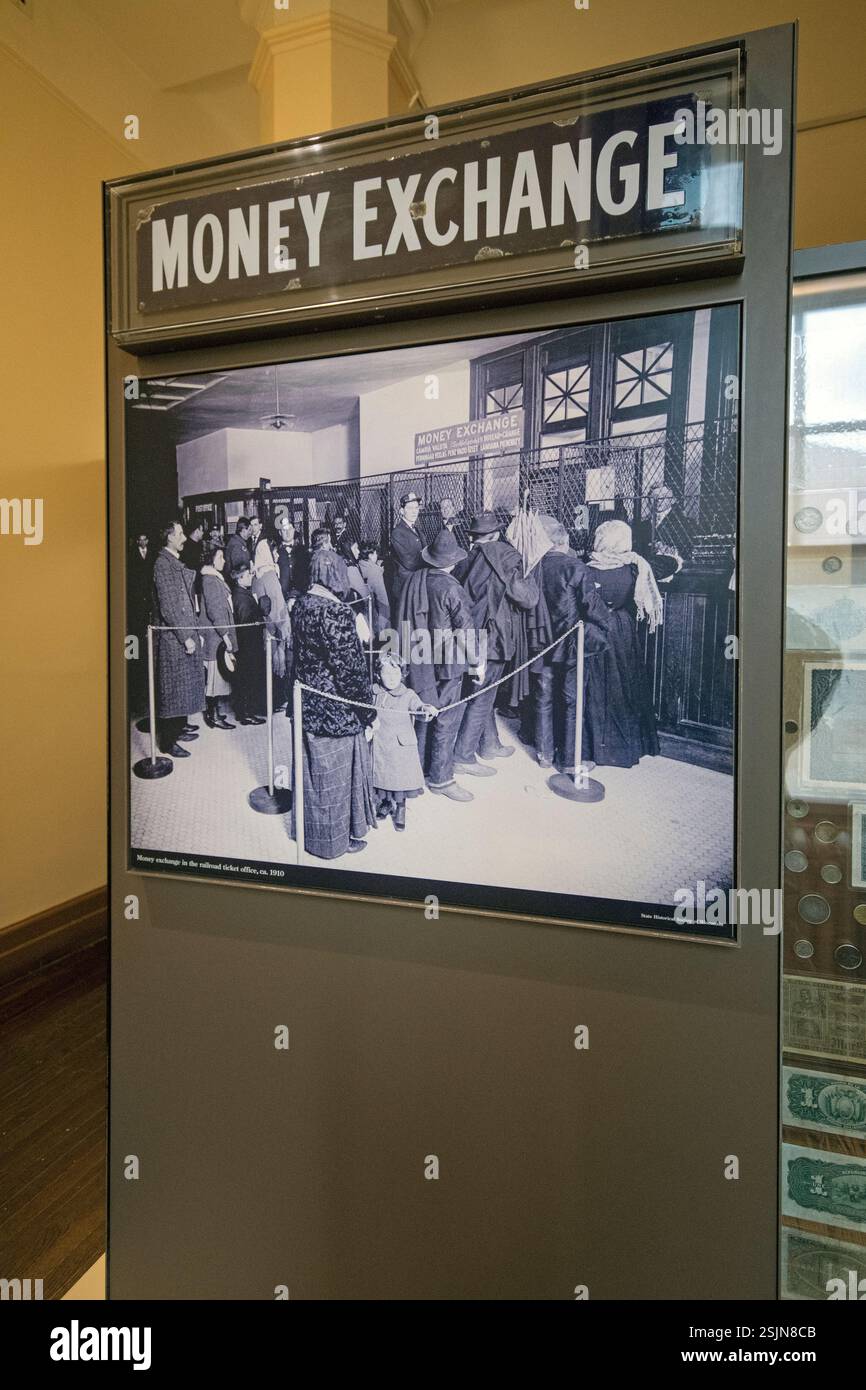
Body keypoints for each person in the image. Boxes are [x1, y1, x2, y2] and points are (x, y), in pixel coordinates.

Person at [289, 548, 377, 858]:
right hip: (335, 710)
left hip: (306, 703)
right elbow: (351, 672)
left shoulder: (301, 605)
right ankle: (336, 842)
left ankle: (310, 834)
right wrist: (369, 712)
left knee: (314, 776)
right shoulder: (336, 612)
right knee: (337, 780)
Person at [397, 527, 480, 802]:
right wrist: (477, 662)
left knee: (423, 714)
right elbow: (466, 630)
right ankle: (442, 778)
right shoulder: (451, 587)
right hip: (447, 662)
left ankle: (416, 770)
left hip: (419, 658)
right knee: (446, 718)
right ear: (453, 562)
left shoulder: (415, 579)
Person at [452, 511, 538, 776]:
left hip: (468, 633)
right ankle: (463, 756)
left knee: (482, 691)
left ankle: (489, 744)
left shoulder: (464, 557)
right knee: (482, 694)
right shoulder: (506, 555)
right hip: (495, 636)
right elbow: (527, 598)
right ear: (497, 533)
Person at [529, 519, 610, 772]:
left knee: (543, 697)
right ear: (564, 541)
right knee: (571, 699)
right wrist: (606, 621)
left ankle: (544, 754)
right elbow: (591, 606)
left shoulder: (533, 566)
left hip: (540, 642)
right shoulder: (575, 566)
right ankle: (569, 759)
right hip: (572, 641)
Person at [584, 519, 662, 768]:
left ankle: (595, 748)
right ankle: (624, 747)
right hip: (622, 631)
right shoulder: (636, 568)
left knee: (594, 689)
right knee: (623, 686)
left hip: (594, 629)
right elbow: (669, 563)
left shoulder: (587, 569)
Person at [150, 521, 205, 757]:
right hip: (174, 638)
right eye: (180, 533)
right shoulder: (162, 564)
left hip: (183, 632)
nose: (184, 537)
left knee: (182, 685)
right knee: (172, 689)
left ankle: (180, 727)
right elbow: (169, 608)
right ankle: (168, 741)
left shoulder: (172, 561)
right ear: (170, 538)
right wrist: (186, 638)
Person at [370, 653, 435, 830]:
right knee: (381, 777)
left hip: (400, 747)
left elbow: (419, 707)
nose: (391, 678)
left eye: (395, 673)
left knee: (400, 780)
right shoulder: (374, 692)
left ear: (402, 674)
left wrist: (425, 709)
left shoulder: (408, 694)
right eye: (386, 673)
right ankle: (385, 803)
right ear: (378, 674)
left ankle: (400, 809)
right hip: (380, 744)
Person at [199, 543, 237, 730]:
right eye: (220, 557)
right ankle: (213, 716)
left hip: (217, 637)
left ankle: (213, 713)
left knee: (217, 678)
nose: (223, 560)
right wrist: (226, 635)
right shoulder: (211, 580)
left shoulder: (215, 578)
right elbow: (215, 611)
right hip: (215, 638)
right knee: (215, 679)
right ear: (211, 560)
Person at [632, 483, 694, 583]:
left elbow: (687, 548)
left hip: (673, 575)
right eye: (654, 497)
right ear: (649, 500)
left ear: (673, 500)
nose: (658, 500)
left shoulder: (684, 522)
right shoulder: (641, 525)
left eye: (663, 497)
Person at [228, 563, 266, 725]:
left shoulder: (243, 592)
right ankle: (246, 714)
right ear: (240, 579)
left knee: (247, 679)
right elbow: (245, 623)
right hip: (249, 646)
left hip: (248, 646)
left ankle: (246, 711)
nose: (252, 576)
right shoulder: (241, 597)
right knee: (248, 680)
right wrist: (259, 620)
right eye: (248, 575)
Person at [386, 491, 424, 614]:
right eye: (410, 508)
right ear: (402, 511)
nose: (414, 511)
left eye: (416, 508)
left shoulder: (417, 529)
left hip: (416, 582)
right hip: (405, 586)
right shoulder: (398, 532)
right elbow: (410, 562)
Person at [128, 532, 153, 713]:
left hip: (147, 602)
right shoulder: (130, 555)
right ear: (137, 541)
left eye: (145, 538)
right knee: (134, 649)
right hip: (136, 605)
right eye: (140, 539)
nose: (143, 541)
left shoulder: (152, 555)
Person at [358, 541, 390, 636]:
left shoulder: (359, 565)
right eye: (376, 553)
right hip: (373, 614)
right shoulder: (374, 572)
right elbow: (382, 598)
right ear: (371, 555)